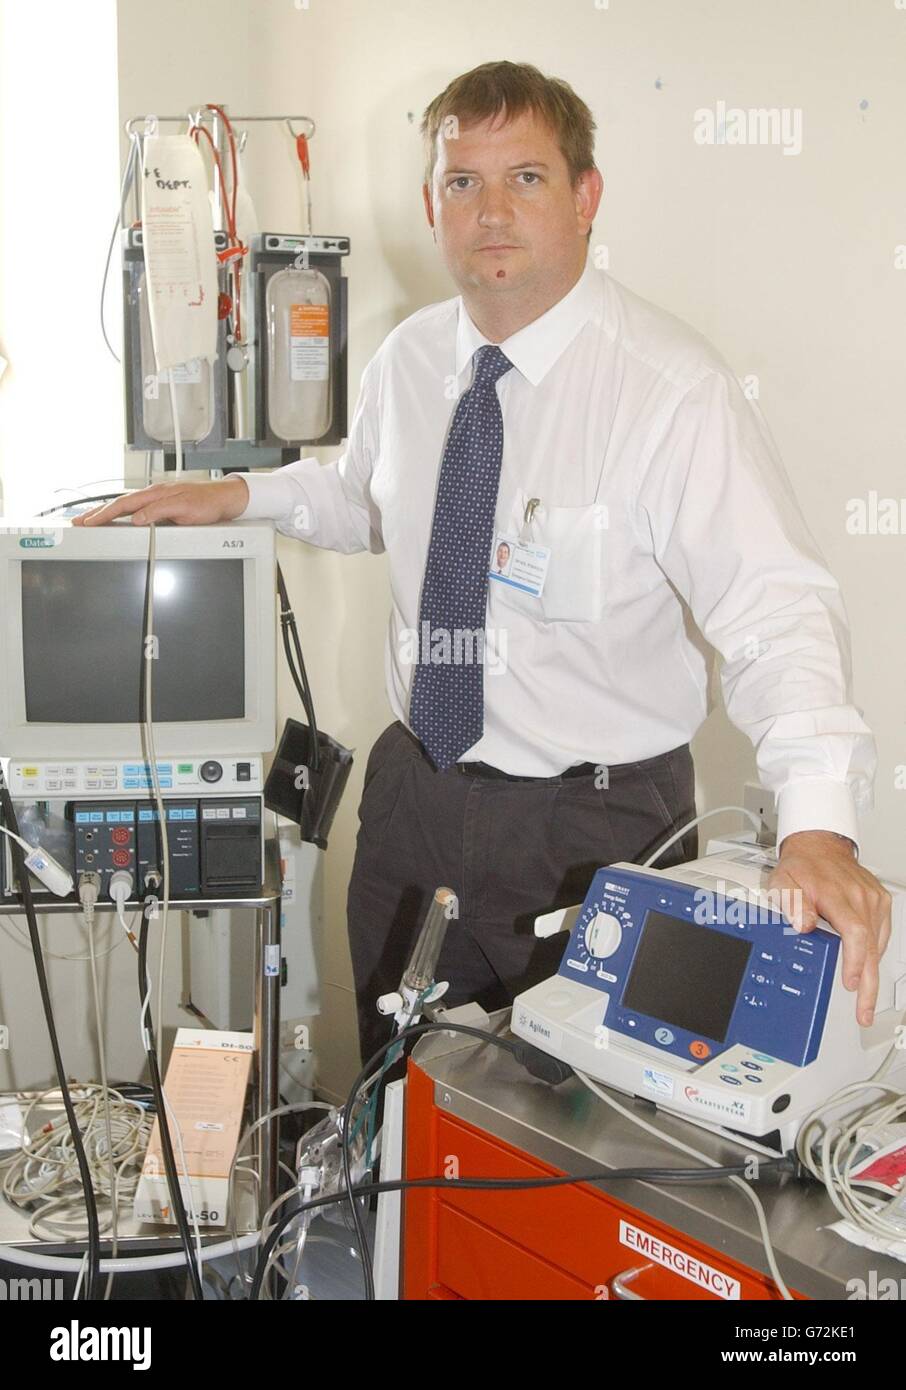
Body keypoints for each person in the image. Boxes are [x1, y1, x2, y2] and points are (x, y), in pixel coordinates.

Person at [76, 61, 891, 1069]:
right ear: (432, 204)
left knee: (568, 1126)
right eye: (463, 182)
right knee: (397, 1085)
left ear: (586, 197)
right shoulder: (410, 362)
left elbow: (776, 610)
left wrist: (820, 823)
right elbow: (368, 499)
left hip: (592, 829)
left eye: (528, 178)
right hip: (415, 802)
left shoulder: (670, 392)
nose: (491, 210)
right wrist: (244, 495)